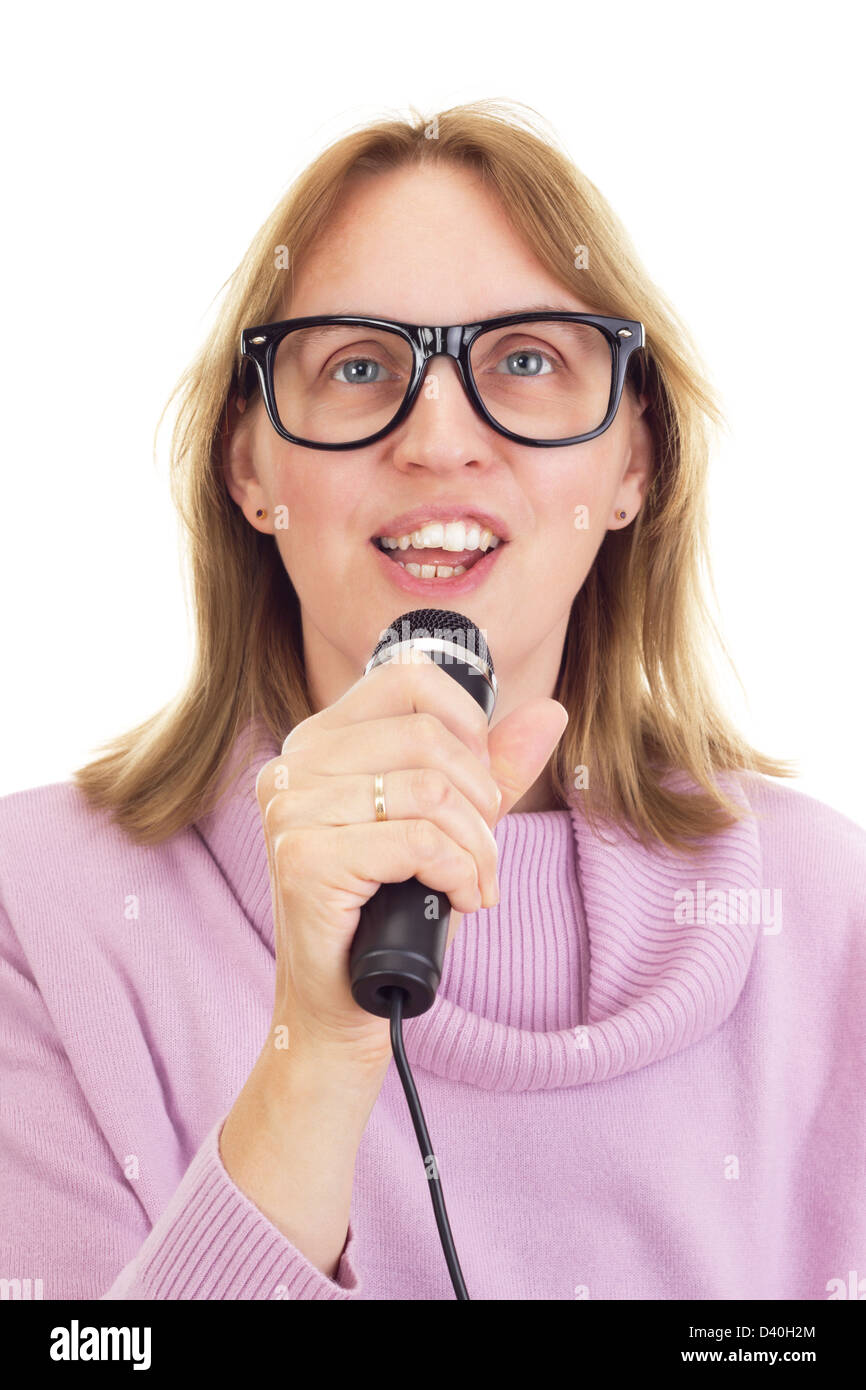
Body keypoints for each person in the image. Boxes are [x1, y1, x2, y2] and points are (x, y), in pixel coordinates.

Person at [1, 100, 864, 1303]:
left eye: (525, 360)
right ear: (249, 465)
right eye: (360, 367)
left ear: (632, 462)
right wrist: (317, 1053)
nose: (439, 437)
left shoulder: (823, 912)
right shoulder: (34, 906)